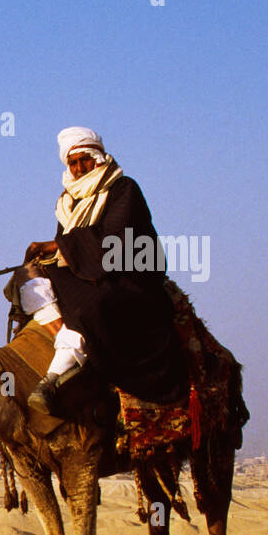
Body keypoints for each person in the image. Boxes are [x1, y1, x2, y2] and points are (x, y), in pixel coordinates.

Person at [23, 127, 189, 416]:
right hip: (84, 270)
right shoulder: (68, 201)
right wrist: (46, 256)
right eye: (72, 163)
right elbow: (68, 247)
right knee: (28, 284)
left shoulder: (123, 189)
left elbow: (115, 240)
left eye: (84, 160)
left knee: (88, 307)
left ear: (98, 157)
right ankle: (70, 347)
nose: (78, 168)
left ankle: (61, 370)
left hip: (127, 275)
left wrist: (57, 246)